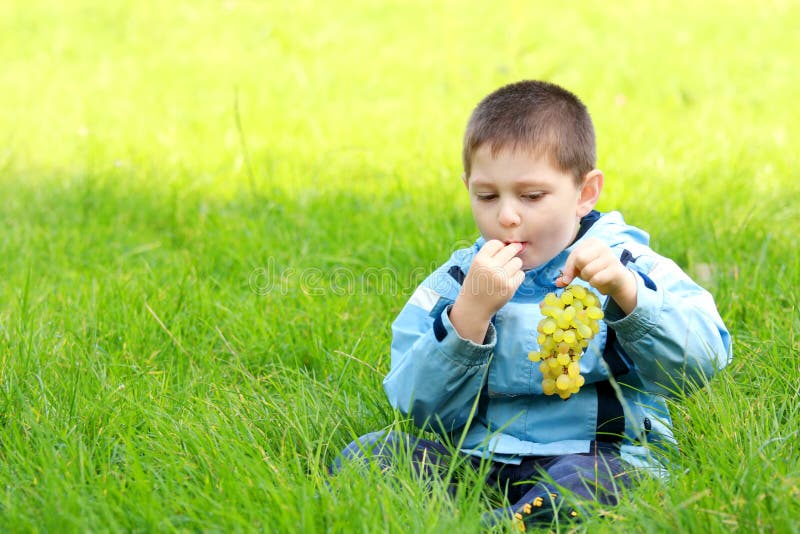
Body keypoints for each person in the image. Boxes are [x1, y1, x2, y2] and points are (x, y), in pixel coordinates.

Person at [331, 80, 732, 529]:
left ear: (584, 193)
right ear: (468, 188)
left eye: (532, 196)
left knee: (603, 482)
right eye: (486, 196)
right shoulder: (460, 280)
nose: (506, 216)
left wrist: (630, 295)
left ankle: (506, 522)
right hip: (478, 459)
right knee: (371, 455)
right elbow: (414, 404)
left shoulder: (623, 263)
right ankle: (506, 517)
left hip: (592, 455)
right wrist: (469, 317)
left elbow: (705, 360)